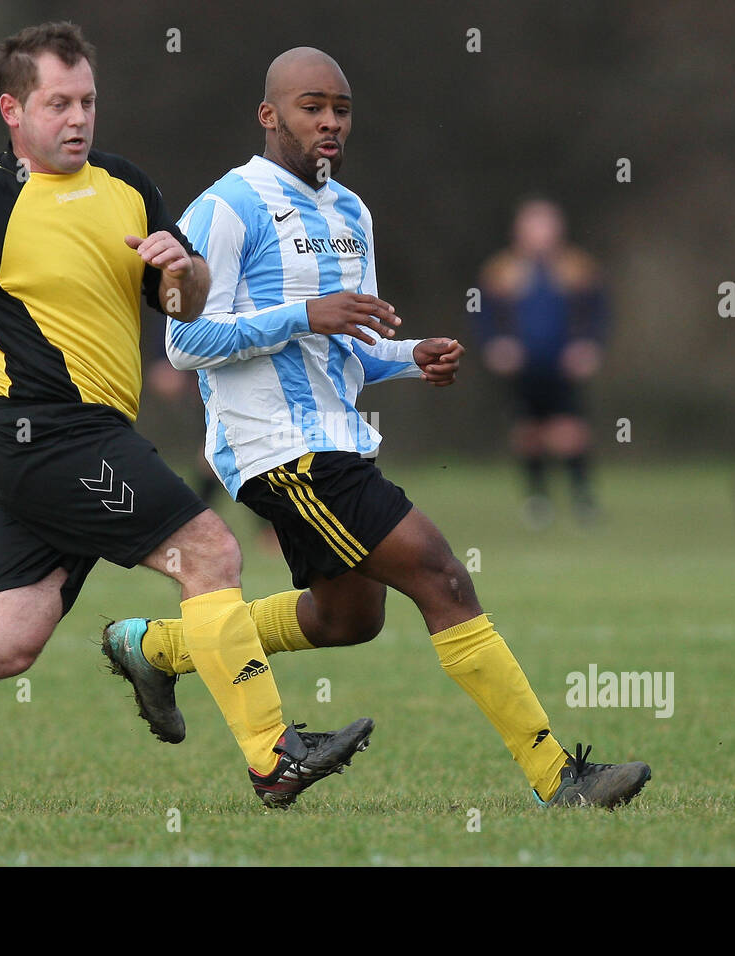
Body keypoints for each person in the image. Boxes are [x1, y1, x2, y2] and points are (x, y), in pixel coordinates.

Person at [0, 22, 373, 815]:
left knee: (7, 637)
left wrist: (186, 272)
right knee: (210, 551)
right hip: (52, 437)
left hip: (79, 444)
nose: (78, 118)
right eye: (58, 104)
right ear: (13, 110)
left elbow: (182, 304)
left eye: (86, 101)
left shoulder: (126, 185)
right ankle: (273, 756)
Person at [102, 47, 650, 810]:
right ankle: (557, 777)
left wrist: (408, 357)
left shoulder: (351, 212)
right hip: (278, 446)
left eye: (341, 109)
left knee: (348, 617)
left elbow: (347, 349)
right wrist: (304, 314)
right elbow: (186, 343)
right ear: (269, 115)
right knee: (442, 576)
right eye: (312, 107)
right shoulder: (227, 207)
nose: (329, 122)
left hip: (335, 437)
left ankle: (154, 647)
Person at [476, 198, 610, 527]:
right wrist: (495, 344)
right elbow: (482, 313)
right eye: (533, 226)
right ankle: (537, 500)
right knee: (528, 432)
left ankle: (582, 498)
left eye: (545, 225)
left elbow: (599, 311)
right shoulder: (502, 270)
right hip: (523, 367)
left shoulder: (577, 267)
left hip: (563, 365)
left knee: (570, 430)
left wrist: (589, 345)